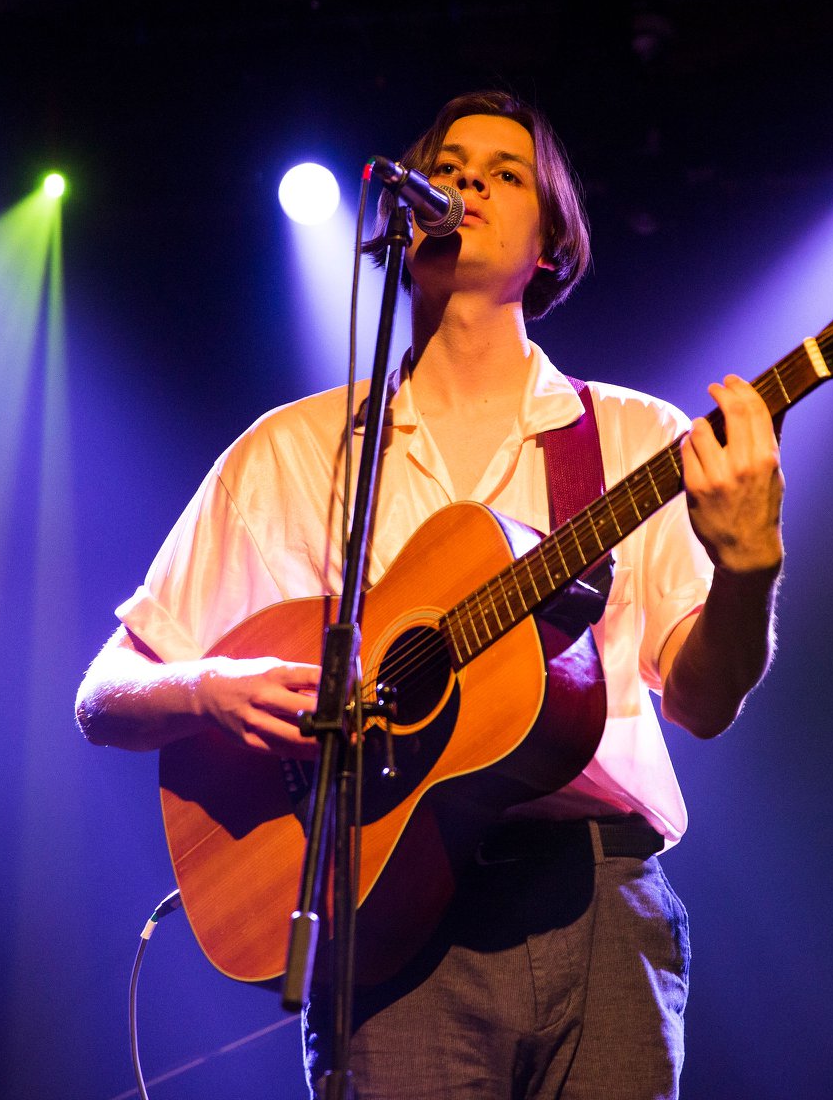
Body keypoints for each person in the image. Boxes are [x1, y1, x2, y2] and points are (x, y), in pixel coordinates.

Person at [75, 89, 785, 1098]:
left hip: (598, 903)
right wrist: (213, 689)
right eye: (447, 169)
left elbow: (704, 704)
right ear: (402, 223)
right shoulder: (293, 453)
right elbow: (103, 694)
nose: (466, 187)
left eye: (503, 174)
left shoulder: (633, 442)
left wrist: (749, 569)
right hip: (387, 921)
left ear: (553, 242)